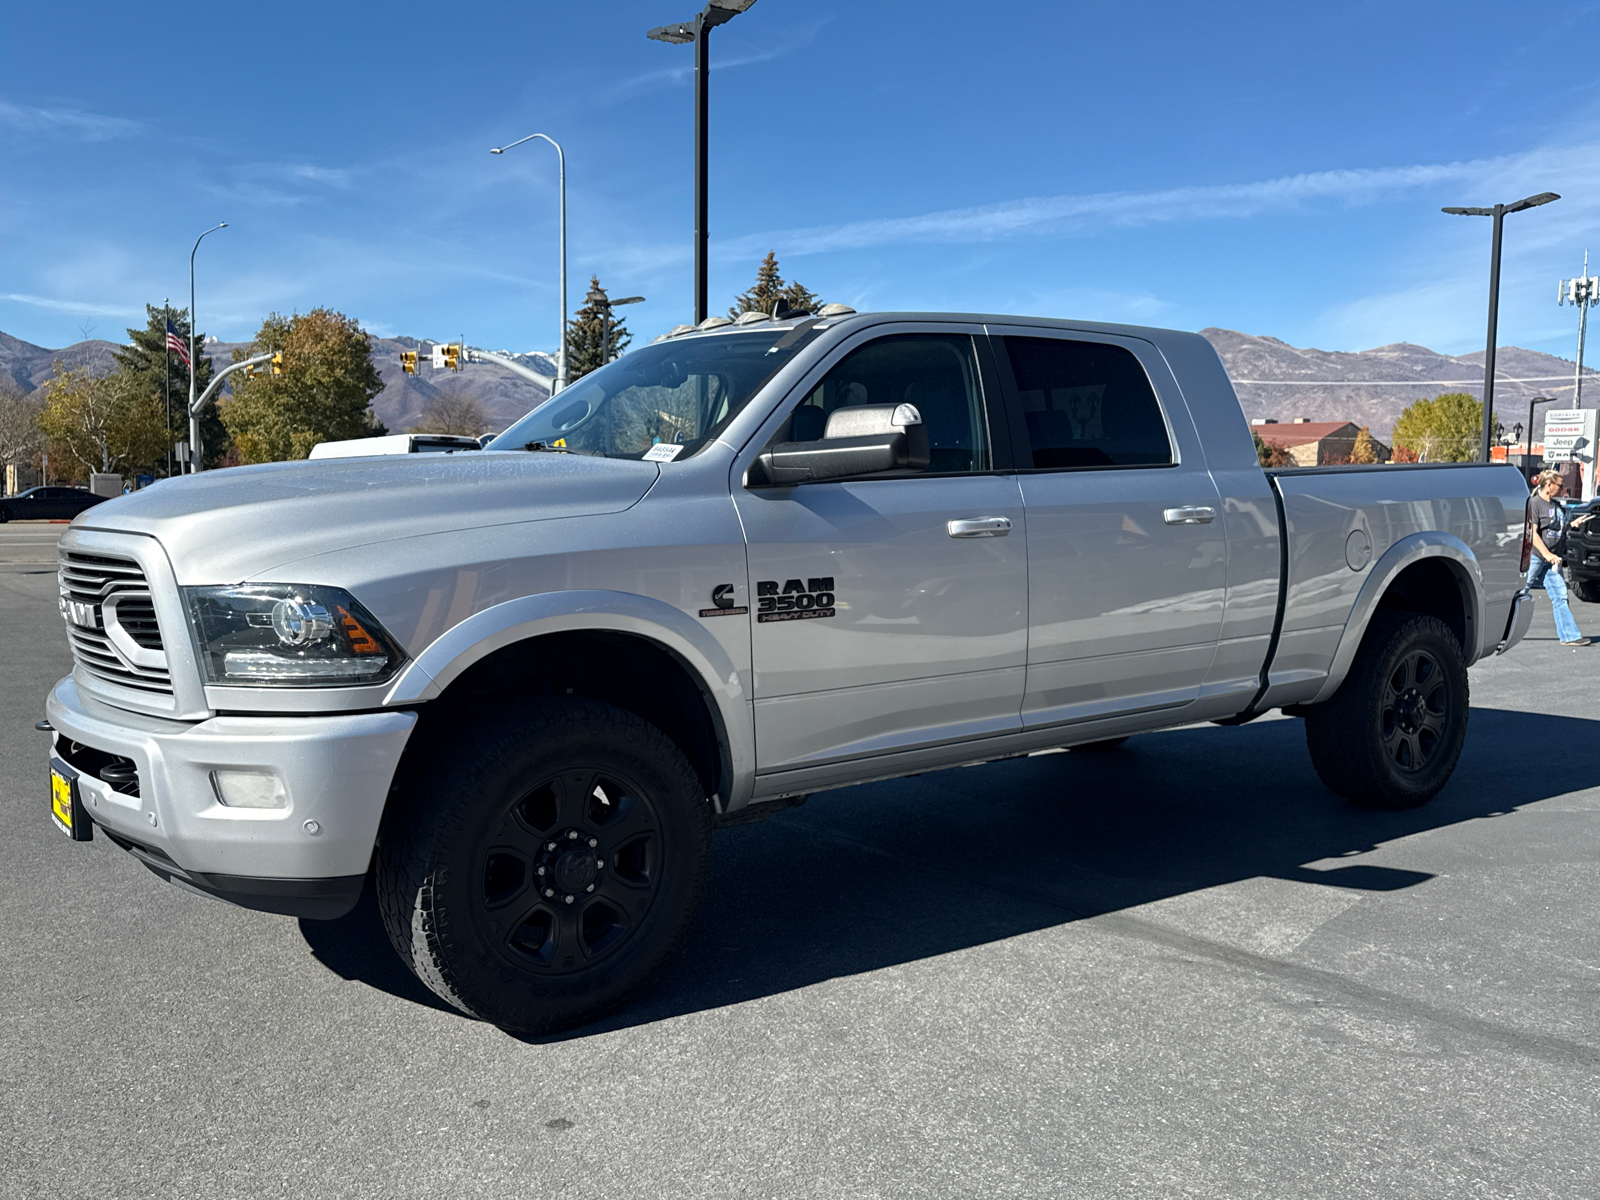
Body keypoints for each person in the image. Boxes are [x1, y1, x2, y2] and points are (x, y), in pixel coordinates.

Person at [1527, 468, 1590, 646]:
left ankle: (1569, 636)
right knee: (1520, 593)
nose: (1563, 490)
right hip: (1536, 557)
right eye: (1560, 486)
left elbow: (1558, 530)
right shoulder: (1535, 504)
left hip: (1553, 560)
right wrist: (1546, 554)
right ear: (1549, 485)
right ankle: (1500, 633)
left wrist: (1572, 524)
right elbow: (1532, 533)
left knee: (1560, 596)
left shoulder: (1556, 506)